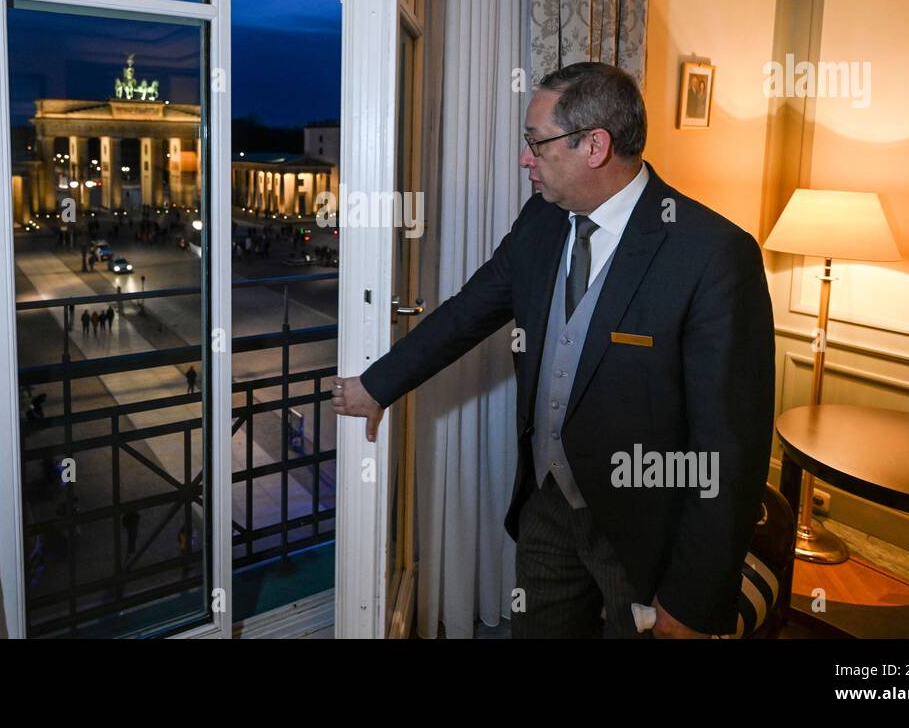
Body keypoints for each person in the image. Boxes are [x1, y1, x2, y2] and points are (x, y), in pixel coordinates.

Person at [331, 62, 775, 639]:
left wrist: (689, 601)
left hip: (643, 533)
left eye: (535, 143)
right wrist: (376, 385)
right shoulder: (542, 220)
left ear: (594, 145)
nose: (525, 159)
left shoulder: (712, 254)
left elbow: (730, 449)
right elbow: (469, 312)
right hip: (545, 505)